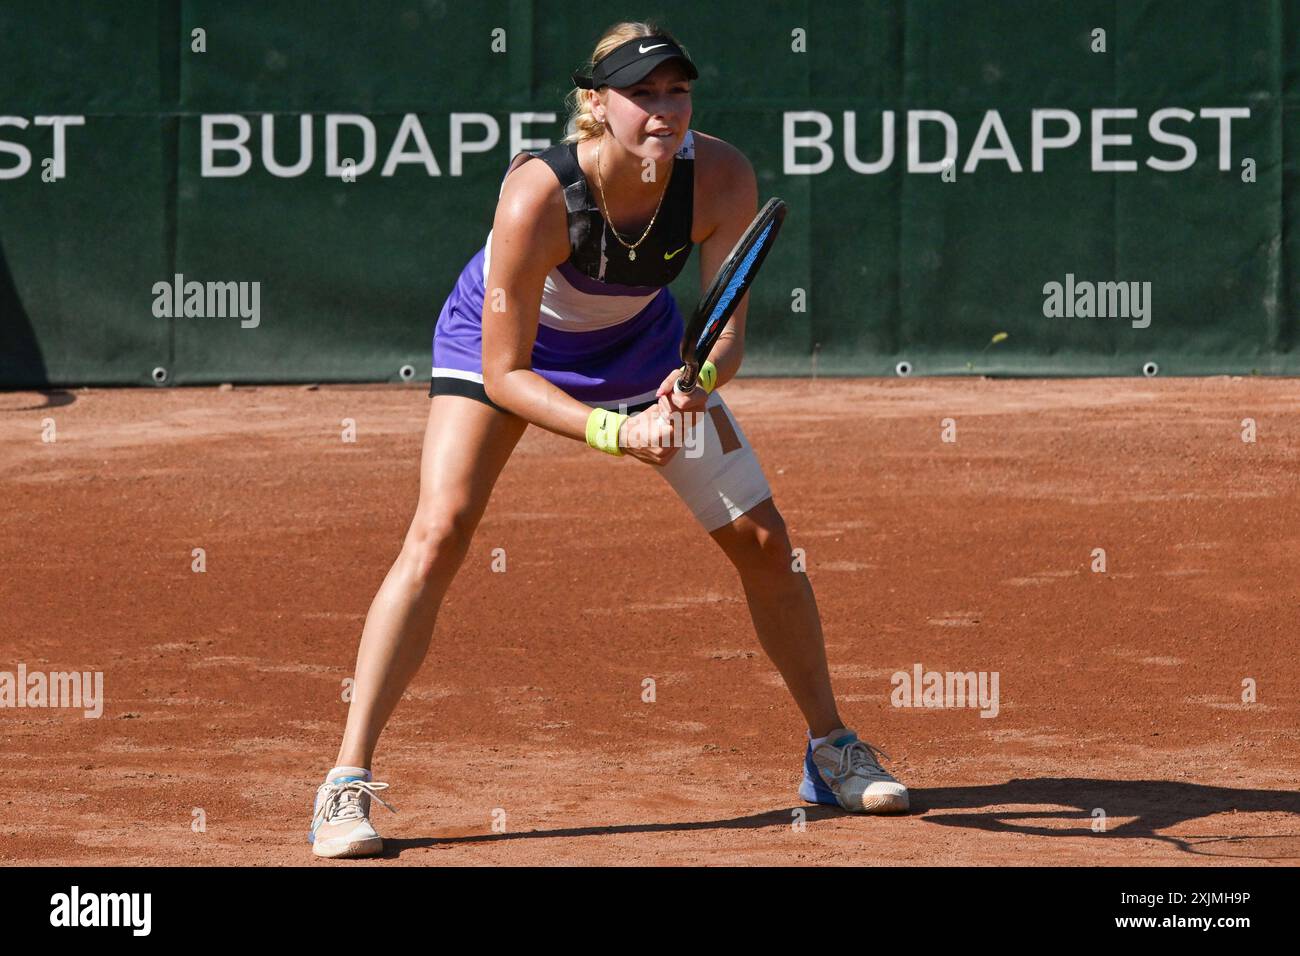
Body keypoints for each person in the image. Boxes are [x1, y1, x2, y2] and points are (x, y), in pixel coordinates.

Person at [309, 20, 909, 859]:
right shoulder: (536, 194)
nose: (665, 109)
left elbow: (723, 332)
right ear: (595, 106)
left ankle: (830, 748)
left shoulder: (722, 175)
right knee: (439, 531)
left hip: (641, 348)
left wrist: (693, 386)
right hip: (502, 351)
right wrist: (615, 431)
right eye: (642, 93)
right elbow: (505, 373)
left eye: (677, 91)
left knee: (767, 542)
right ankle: (345, 782)